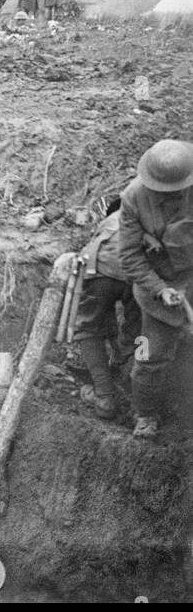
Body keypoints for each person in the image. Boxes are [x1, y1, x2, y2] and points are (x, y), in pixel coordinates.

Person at [118, 139, 193, 440]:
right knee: (149, 357)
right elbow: (130, 258)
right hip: (158, 288)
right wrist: (161, 289)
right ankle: (146, 414)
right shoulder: (134, 197)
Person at [71, 207, 142, 420]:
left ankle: (104, 397)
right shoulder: (156, 213)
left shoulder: (112, 220)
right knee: (141, 332)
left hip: (102, 271)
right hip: (139, 275)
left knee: (88, 328)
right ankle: (137, 389)